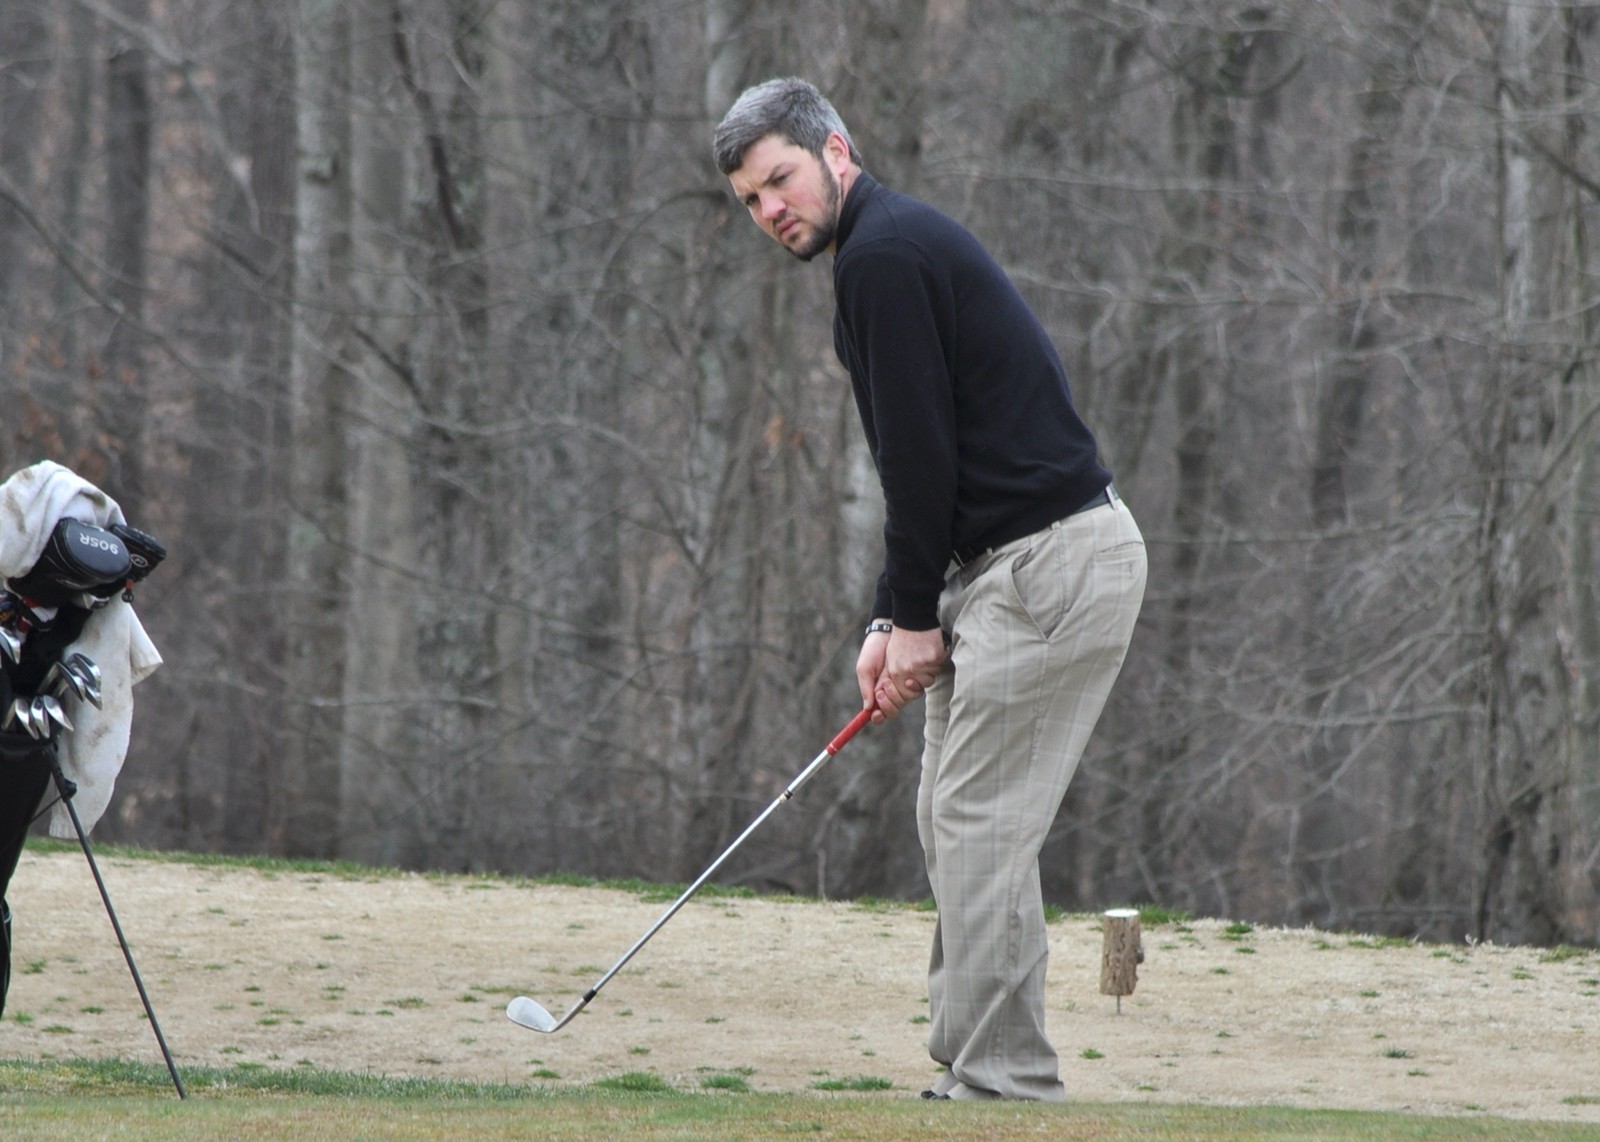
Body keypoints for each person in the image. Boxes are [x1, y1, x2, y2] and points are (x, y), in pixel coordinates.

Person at [713, 78, 1147, 1101]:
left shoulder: (886, 255)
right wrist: (888, 617)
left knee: (980, 820)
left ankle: (1002, 1083)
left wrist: (912, 619)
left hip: (1052, 564)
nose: (772, 208)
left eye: (780, 178)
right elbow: (918, 464)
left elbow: (918, 462)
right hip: (997, 567)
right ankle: (976, 1066)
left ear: (837, 152)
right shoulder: (876, 258)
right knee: (950, 816)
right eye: (750, 199)